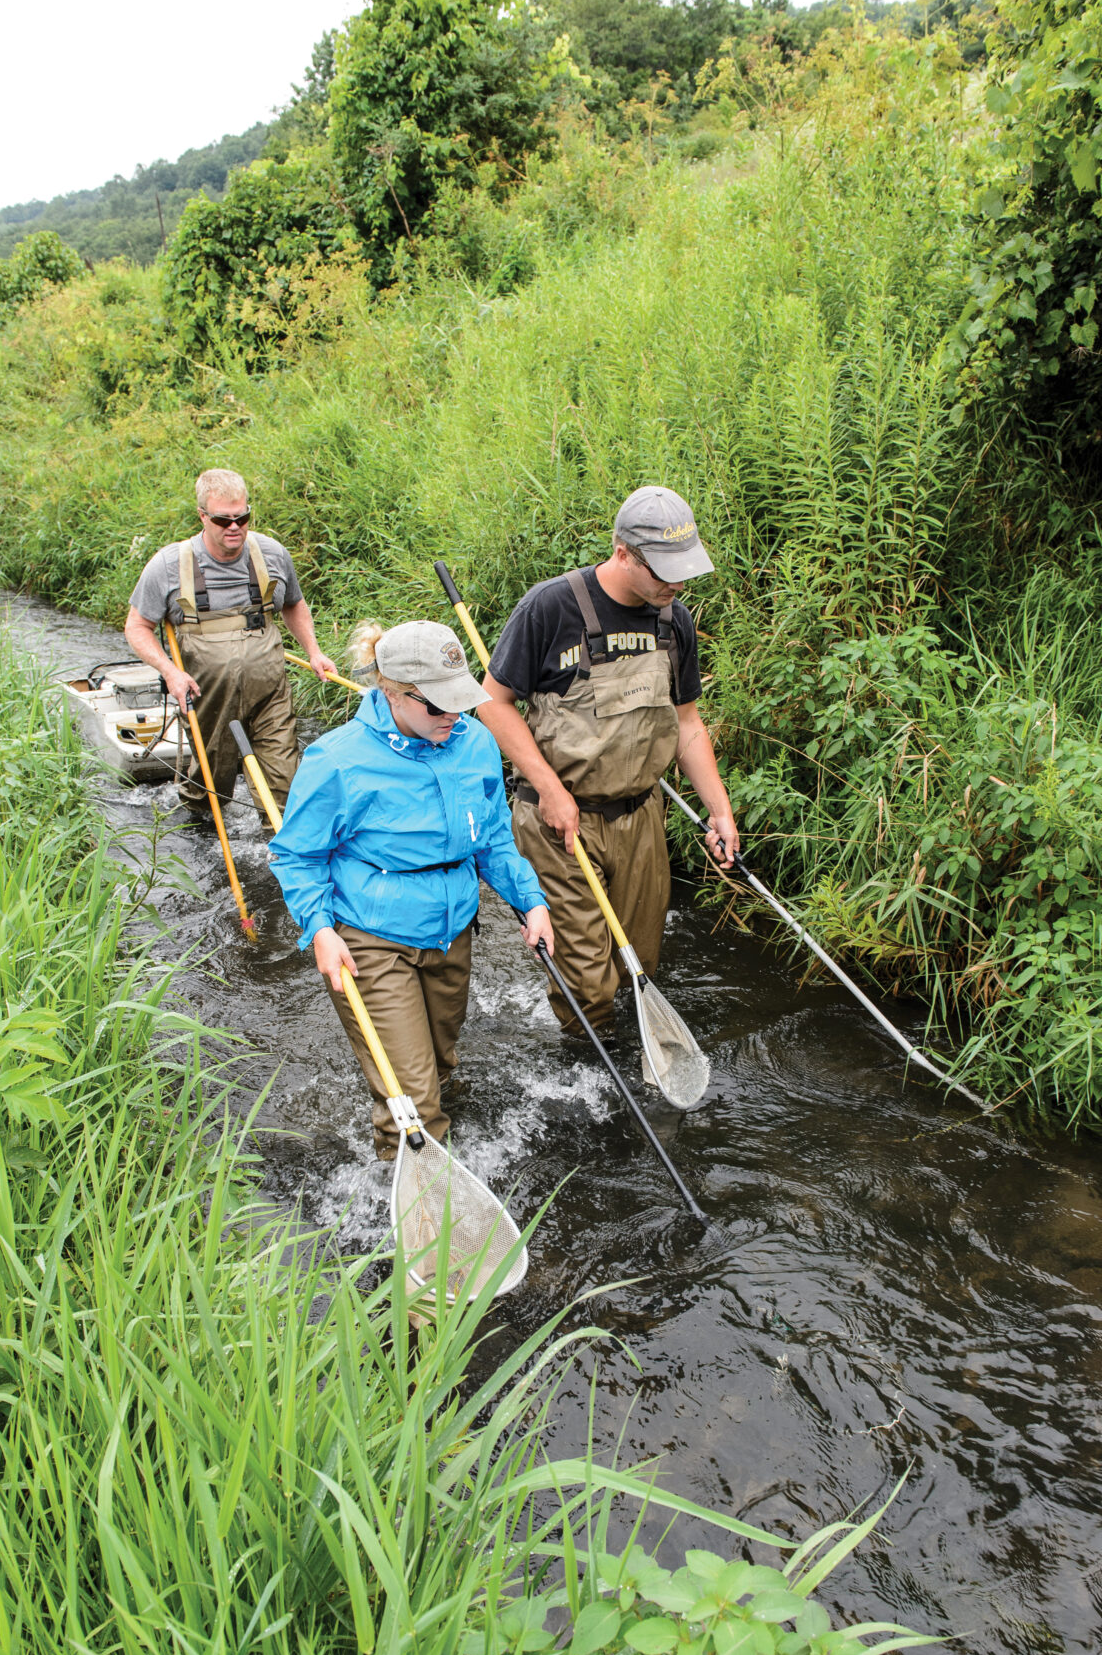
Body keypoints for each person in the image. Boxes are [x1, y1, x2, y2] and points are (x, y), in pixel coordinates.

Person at [268, 619, 553, 1158]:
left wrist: (530, 901)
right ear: (394, 693)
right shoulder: (337, 760)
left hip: (451, 931)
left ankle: (417, 1139)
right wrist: (321, 930)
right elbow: (296, 855)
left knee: (441, 1066)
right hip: (370, 938)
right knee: (414, 1105)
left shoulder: (474, 746)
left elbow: (491, 839)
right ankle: (415, 1205)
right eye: (437, 706)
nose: (454, 716)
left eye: (460, 702)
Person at [478, 485, 739, 1036]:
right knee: (589, 989)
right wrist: (549, 789)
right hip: (560, 822)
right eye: (664, 570)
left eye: (684, 569)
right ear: (623, 552)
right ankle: (586, 1078)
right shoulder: (550, 607)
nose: (677, 583)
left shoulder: (675, 620)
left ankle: (612, 1054)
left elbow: (687, 722)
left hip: (641, 818)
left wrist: (718, 808)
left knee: (636, 965)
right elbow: (493, 704)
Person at [123, 468, 339, 822]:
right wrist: (170, 673)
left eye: (243, 518)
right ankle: (198, 828)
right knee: (211, 786)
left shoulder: (271, 554)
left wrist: (314, 652)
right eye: (224, 520)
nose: (235, 527)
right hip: (207, 698)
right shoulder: (168, 566)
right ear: (203, 517)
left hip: (269, 692)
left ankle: (281, 855)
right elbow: (137, 626)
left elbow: (294, 604)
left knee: (285, 787)